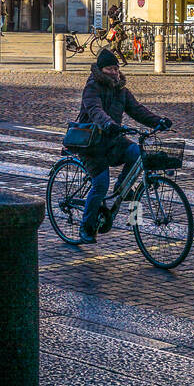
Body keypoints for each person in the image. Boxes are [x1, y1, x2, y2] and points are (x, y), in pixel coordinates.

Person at [75, 49, 170, 244]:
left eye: (116, 68)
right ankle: (86, 226)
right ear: (101, 70)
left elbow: (137, 110)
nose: (115, 72)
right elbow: (95, 111)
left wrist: (158, 121)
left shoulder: (121, 90)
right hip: (92, 145)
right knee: (100, 185)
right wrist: (108, 124)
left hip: (113, 140)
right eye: (110, 68)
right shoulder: (92, 88)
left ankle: (122, 187)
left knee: (137, 153)